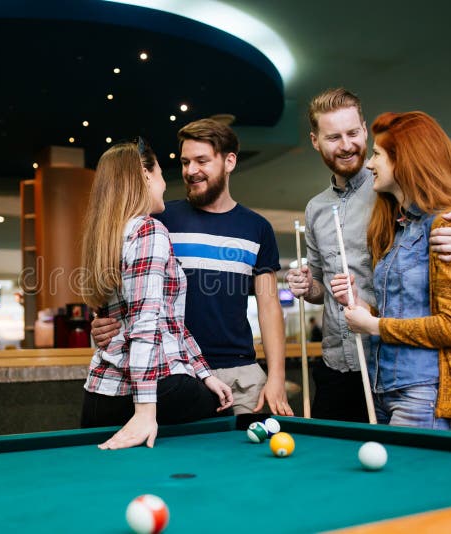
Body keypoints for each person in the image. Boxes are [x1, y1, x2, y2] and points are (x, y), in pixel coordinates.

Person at [285, 88, 451, 423]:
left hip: (390, 363)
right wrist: (309, 287)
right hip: (337, 364)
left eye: (353, 133)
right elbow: (321, 288)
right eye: (334, 137)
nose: (347, 145)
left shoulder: (390, 187)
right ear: (315, 140)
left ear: (365, 130)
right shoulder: (316, 209)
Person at [91, 119, 293, 416]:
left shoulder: (257, 228)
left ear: (229, 161)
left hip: (241, 375)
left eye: (202, 160)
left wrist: (276, 377)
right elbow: (127, 288)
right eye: (185, 162)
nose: (190, 170)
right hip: (177, 374)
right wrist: (103, 322)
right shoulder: (159, 220)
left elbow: (269, 305)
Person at [332, 111, 451, 429]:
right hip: (386, 389)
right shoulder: (397, 228)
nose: (369, 164)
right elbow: (407, 313)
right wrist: (366, 309)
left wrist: (374, 325)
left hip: (424, 393)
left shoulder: (447, 226)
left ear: (404, 161)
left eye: (377, 154)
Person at [79, 138, 233, 449]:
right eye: (162, 173)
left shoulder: (105, 237)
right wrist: (145, 410)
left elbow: (167, 323)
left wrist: (205, 374)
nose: (164, 183)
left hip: (99, 397)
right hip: (155, 392)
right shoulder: (149, 230)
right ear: (146, 176)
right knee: (228, 408)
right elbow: (146, 325)